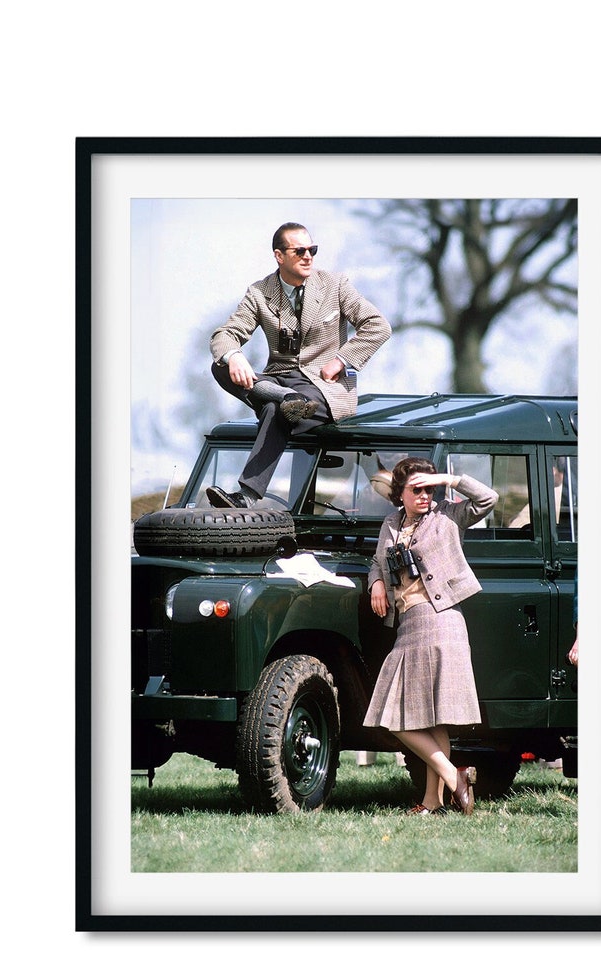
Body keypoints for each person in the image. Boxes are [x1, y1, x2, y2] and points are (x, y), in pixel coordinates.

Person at [205, 222, 391, 508]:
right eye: (299, 250)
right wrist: (235, 356)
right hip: (278, 381)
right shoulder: (259, 293)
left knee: (274, 410)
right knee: (221, 364)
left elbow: (378, 325)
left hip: (323, 387)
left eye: (312, 250)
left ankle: (246, 495)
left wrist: (342, 360)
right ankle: (286, 399)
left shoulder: (335, 285)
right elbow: (225, 334)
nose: (308, 256)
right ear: (279, 256)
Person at [362, 457, 498, 815]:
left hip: (441, 621)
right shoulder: (391, 524)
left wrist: (448, 478)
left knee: (393, 719)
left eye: (429, 488)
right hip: (409, 622)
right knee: (428, 719)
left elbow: (489, 499)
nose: (425, 495)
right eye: (416, 489)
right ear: (400, 494)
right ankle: (432, 801)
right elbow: (378, 561)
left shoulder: (448, 517)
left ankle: (454, 778)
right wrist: (376, 581)